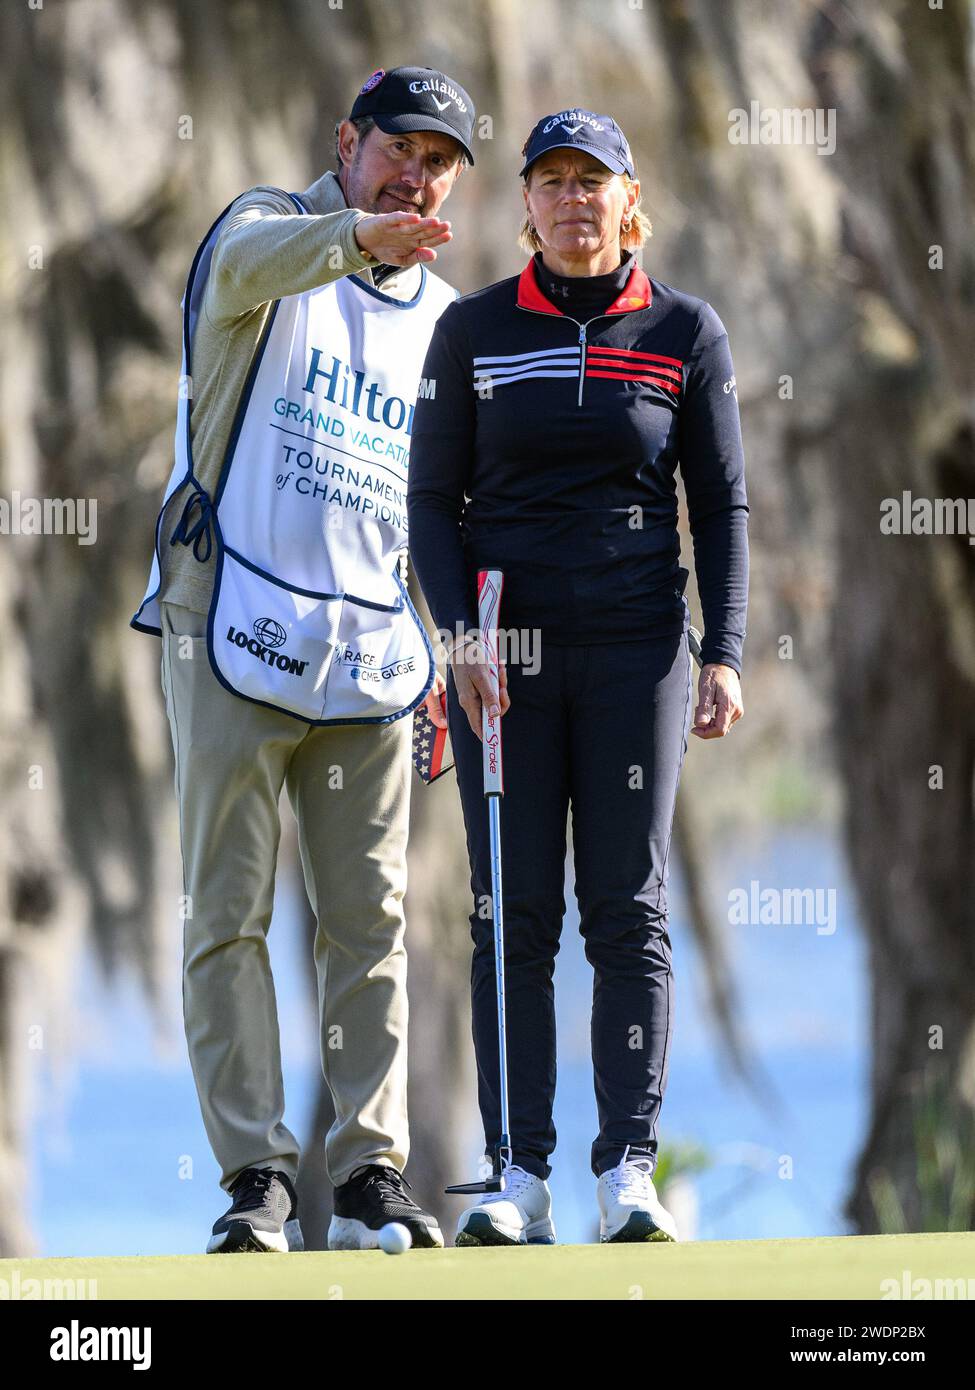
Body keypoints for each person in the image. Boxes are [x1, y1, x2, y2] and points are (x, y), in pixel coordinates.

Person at [131, 65, 477, 1252]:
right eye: (399, 149)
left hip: (371, 663)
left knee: (368, 923)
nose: (414, 176)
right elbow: (249, 272)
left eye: (438, 164)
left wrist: (443, 651)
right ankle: (256, 1182)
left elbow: (437, 508)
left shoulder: (446, 320)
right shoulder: (262, 232)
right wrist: (356, 235)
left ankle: (373, 1173)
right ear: (348, 144)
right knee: (224, 915)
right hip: (229, 628)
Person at [408, 108, 748, 1245]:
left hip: (638, 651)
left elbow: (722, 505)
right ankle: (518, 1173)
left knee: (628, 912)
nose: (570, 198)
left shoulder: (686, 331)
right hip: (502, 660)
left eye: (589, 180)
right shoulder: (472, 331)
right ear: (527, 206)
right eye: (549, 181)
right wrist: (455, 635)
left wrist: (727, 650)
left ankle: (628, 1170)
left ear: (626, 197)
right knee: (514, 917)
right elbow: (429, 503)